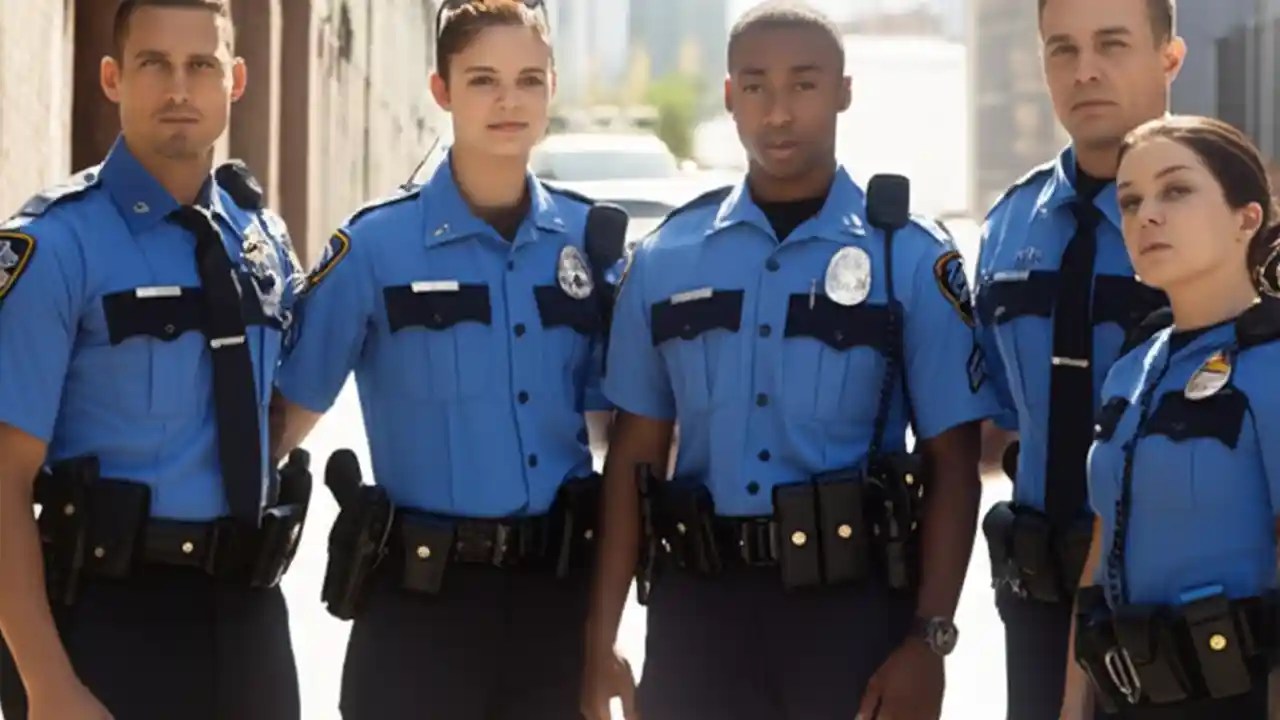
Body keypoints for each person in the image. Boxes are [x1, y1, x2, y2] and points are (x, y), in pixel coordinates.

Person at [580, 3, 999, 719]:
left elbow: (953, 464)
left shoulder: (909, 257)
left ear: (843, 91)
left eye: (804, 85)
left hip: (851, 618)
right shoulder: (667, 257)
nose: (778, 112)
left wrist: (929, 641)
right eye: (755, 86)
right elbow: (633, 454)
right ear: (728, 96)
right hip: (698, 619)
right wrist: (600, 636)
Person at [270, 1, 625, 718]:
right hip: (419, 612)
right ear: (442, 90)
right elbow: (279, 426)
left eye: (528, 80)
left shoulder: (587, 242)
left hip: (555, 608)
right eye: (483, 80)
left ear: (552, 87)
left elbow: (616, 435)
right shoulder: (374, 248)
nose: (508, 101)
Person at [0, 2, 308, 719]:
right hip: (107, 622)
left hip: (251, 620)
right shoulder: (55, 247)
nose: (178, 89)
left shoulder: (261, 240)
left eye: (200, 65)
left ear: (235, 81)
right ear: (112, 77)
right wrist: (46, 683)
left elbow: (282, 404)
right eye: (154, 64)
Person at [973, 1, 1186, 716]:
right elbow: (1000, 415)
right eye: (1061, 48)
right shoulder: (1010, 225)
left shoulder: (1229, 219)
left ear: (1170, 57)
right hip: (1039, 601)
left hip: (1179, 613)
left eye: (1112, 44)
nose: (1084, 71)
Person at [1059, 115, 1280, 719]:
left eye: (1176, 190)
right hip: (1127, 694)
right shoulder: (1133, 366)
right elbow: (1101, 548)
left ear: (1246, 218)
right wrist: (1073, 707)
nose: (1146, 216)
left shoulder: (1272, 362)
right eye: (1130, 201)